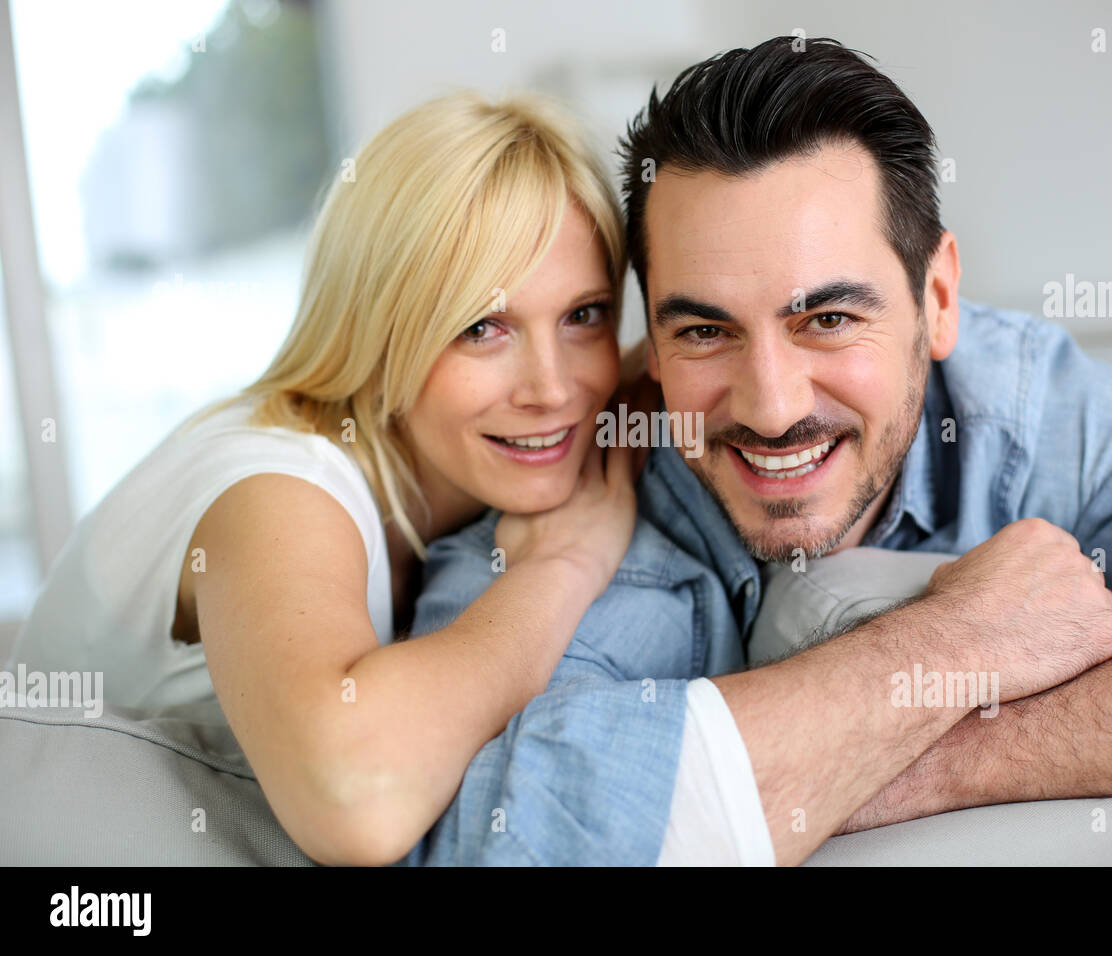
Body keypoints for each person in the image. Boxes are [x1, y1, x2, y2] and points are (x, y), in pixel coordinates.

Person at [402, 37, 1112, 866]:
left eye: (827, 319)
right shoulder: (570, 518)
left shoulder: (1028, 406)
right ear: (650, 336)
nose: (771, 405)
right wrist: (956, 646)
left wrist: (934, 758)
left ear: (938, 298)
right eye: (705, 331)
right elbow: (472, 837)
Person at [8, 91, 639, 865]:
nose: (553, 387)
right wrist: (566, 563)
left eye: (584, 316)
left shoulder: (446, 455)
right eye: (482, 327)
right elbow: (359, 800)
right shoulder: (276, 488)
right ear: (380, 331)